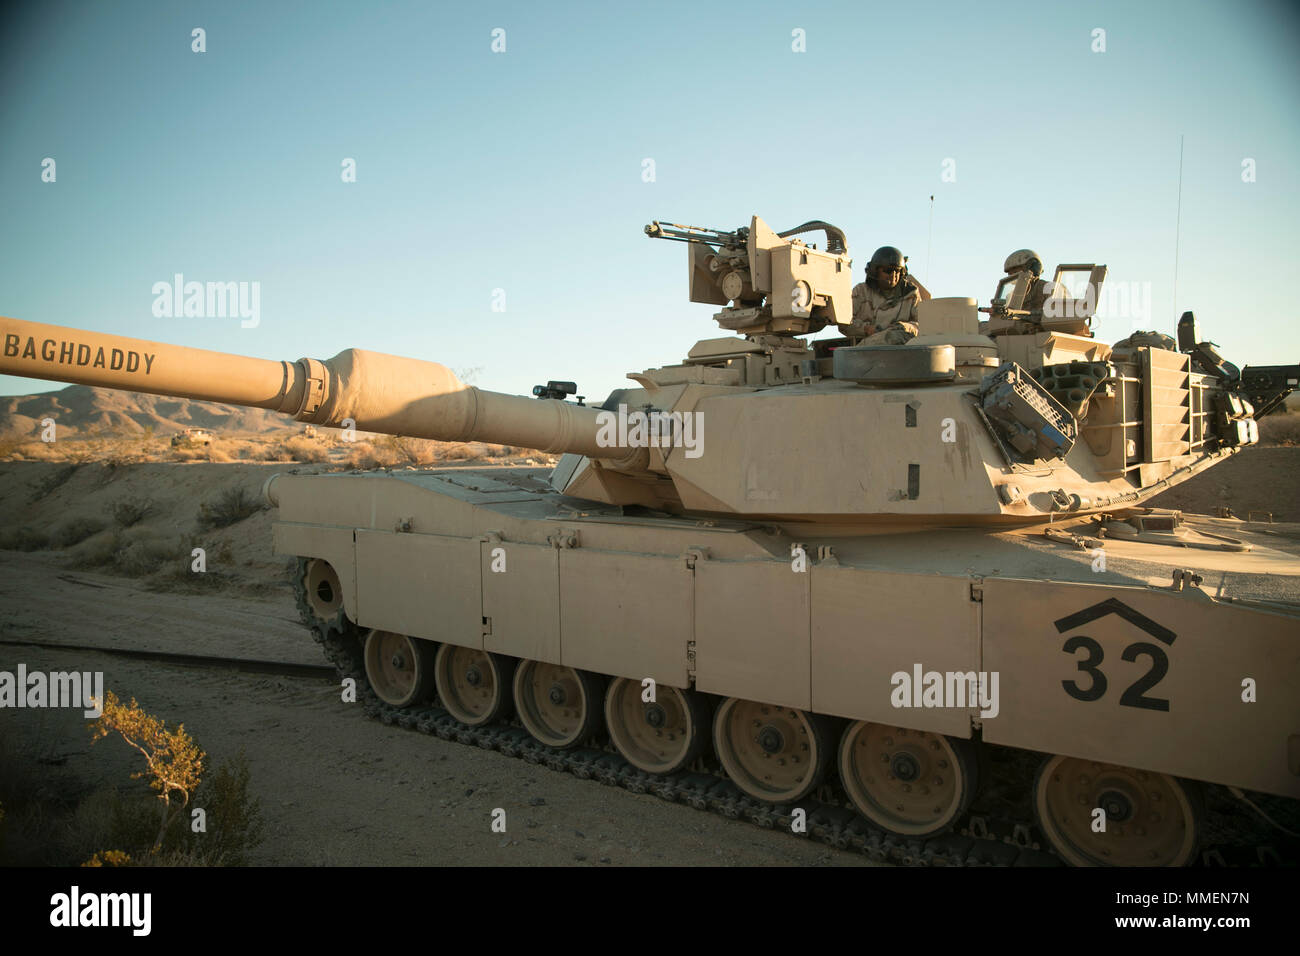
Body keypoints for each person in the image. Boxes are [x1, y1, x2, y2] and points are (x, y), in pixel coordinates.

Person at [849, 246, 930, 344]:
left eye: (898, 270)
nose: (894, 275)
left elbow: (923, 326)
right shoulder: (861, 291)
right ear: (876, 270)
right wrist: (866, 328)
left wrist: (905, 327)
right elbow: (845, 322)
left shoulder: (910, 293)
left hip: (902, 347)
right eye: (888, 270)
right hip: (866, 348)